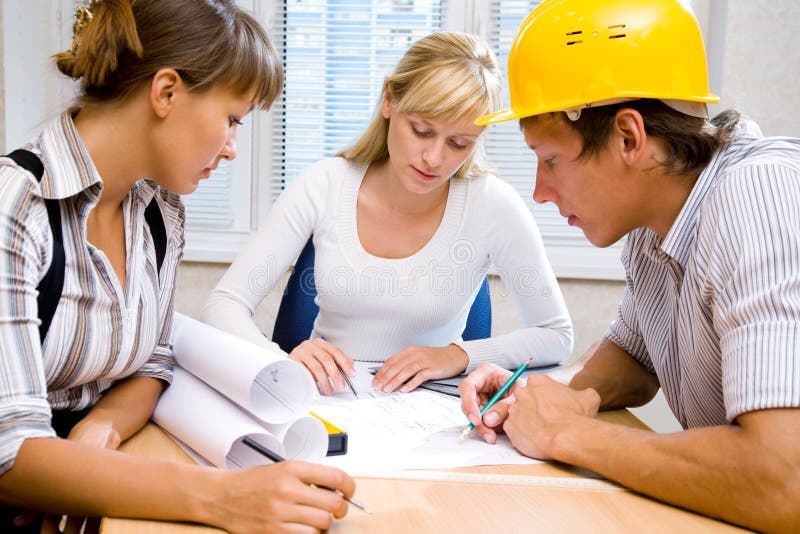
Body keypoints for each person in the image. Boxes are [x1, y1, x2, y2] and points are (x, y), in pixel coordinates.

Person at [0, 1, 354, 532]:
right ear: (166, 92)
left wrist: (100, 432)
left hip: (92, 482)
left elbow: (154, 362)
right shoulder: (16, 206)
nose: (234, 148)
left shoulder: (159, 213)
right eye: (232, 119)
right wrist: (223, 498)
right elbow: (10, 451)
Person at [459, 0, 800, 531]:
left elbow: (784, 479)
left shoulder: (757, 196)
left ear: (628, 137)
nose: (540, 192)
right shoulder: (653, 225)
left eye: (551, 160)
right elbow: (635, 358)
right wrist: (538, 398)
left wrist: (569, 434)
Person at [202, 31, 573, 396]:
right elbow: (224, 305)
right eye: (422, 131)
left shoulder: (493, 204)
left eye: (459, 144)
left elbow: (556, 335)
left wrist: (458, 355)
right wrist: (280, 360)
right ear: (389, 101)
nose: (435, 158)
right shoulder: (325, 184)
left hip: (433, 417)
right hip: (326, 402)